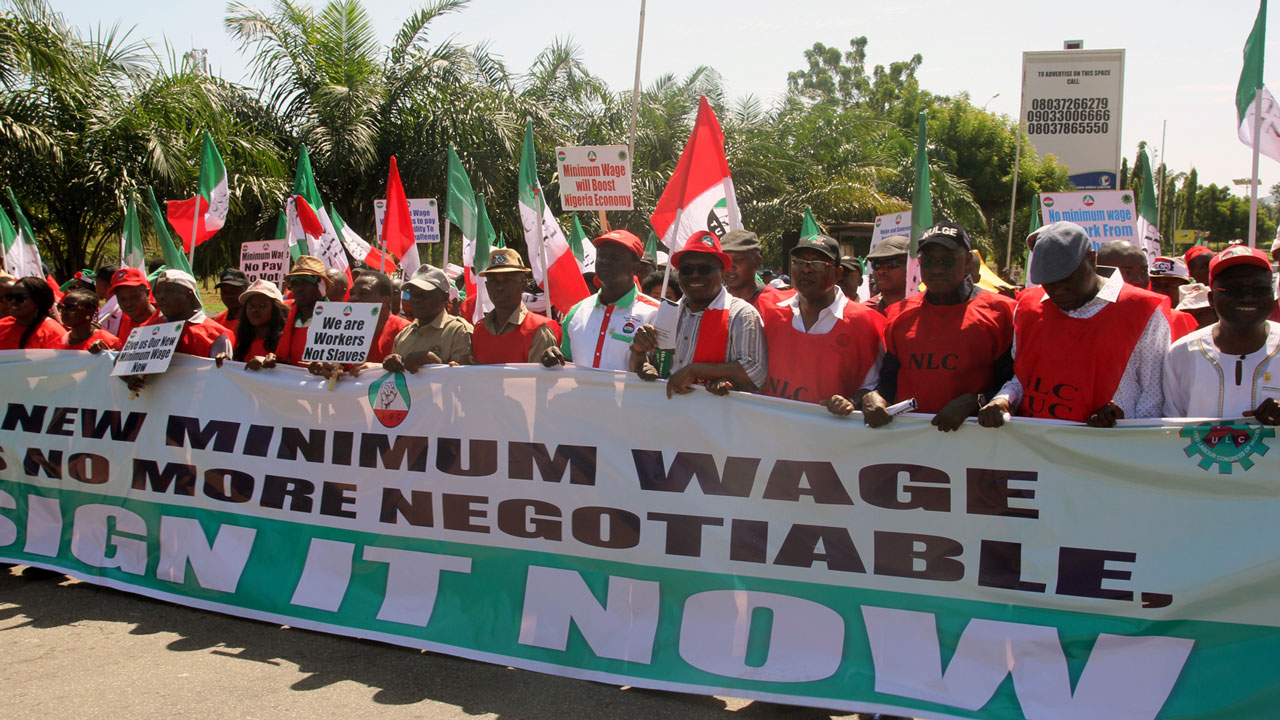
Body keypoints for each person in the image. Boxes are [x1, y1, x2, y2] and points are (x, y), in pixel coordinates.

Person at [978, 221, 1169, 427]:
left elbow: (1152, 397)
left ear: (1092, 259)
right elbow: (1023, 378)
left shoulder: (1141, 310)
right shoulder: (1028, 308)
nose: (1058, 290)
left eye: (1067, 278)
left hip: (1108, 443)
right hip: (1034, 442)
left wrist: (1123, 423)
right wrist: (1003, 399)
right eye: (1049, 282)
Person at [861, 222, 1015, 431]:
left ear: (967, 261)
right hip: (908, 439)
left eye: (947, 260)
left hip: (976, 440)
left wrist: (977, 401)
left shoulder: (1002, 312)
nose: (937, 269)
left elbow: (1015, 385)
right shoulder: (899, 314)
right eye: (928, 261)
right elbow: (889, 382)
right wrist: (873, 396)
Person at [630, 231, 768, 397]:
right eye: (687, 270)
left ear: (722, 271)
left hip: (715, 412)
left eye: (705, 269)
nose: (695, 275)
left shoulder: (741, 314)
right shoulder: (668, 312)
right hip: (667, 409)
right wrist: (639, 353)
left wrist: (695, 371)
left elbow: (755, 373)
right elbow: (648, 365)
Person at [757, 233, 883, 409]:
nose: (806, 270)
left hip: (829, 426)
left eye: (817, 264)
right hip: (772, 422)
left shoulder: (864, 322)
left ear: (838, 273)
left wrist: (853, 402)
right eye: (799, 262)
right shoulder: (769, 310)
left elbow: (872, 385)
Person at [1163, 246, 1279, 424]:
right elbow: (1167, 430)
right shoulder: (1182, 353)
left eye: (1260, 289)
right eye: (1234, 290)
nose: (1248, 298)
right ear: (1211, 299)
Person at [555, 229, 660, 372]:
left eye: (615, 257)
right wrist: (553, 360)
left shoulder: (656, 313)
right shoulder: (576, 312)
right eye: (601, 255)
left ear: (635, 267)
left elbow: (664, 371)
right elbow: (566, 365)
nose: (605, 261)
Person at [471, 248, 562, 364]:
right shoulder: (480, 330)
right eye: (493, 281)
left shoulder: (539, 330)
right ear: (487, 286)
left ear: (523, 286)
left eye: (507, 280)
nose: (500, 287)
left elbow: (540, 376)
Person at [313, 270, 410, 376]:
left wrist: (378, 369)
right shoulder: (341, 328)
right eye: (352, 294)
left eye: (363, 294)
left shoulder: (405, 331)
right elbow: (333, 366)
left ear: (384, 301)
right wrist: (326, 367)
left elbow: (415, 375)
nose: (353, 298)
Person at [383, 265, 473, 373]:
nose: (416, 299)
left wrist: (435, 363)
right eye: (412, 293)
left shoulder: (458, 331)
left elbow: (465, 379)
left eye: (424, 294)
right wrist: (391, 364)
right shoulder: (402, 336)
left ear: (444, 297)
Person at [146, 269, 233, 358]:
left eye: (169, 291)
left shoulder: (215, 335)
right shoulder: (150, 329)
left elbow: (222, 366)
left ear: (188, 296)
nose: (161, 296)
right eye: (158, 291)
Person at [720, 229, 792, 311]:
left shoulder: (779, 304)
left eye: (739, 260)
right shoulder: (712, 303)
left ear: (757, 261)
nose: (730, 266)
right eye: (725, 260)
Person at [276, 256, 328, 366]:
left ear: (320, 287)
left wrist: (329, 366)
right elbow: (283, 358)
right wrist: (273, 360)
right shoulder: (288, 319)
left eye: (304, 283)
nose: (298, 288)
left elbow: (345, 365)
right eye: (295, 284)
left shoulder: (337, 321)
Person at [230, 279, 288, 370]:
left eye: (262, 305)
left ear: (276, 309)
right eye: (251, 306)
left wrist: (275, 364)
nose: (255, 310)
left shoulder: (285, 342)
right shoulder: (241, 341)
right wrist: (227, 363)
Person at [0, 276, 63, 350]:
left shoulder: (53, 333)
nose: (12, 301)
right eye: (9, 297)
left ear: (37, 301)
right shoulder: (3, 325)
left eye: (20, 298)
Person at [54, 288, 121, 351]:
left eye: (71, 308)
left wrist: (106, 353)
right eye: (62, 307)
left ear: (89, 311)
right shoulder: (55, 344)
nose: (65, 312)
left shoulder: (109, 342)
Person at [1149, 256, 1199, 340]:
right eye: (1156, 285)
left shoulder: (1200, 313)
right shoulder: (1144, 316)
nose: (1161, 291)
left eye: (1169, 286)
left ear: (1185, 287)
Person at [109, 267, 160, 341]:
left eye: (133, 297)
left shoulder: (168, 318)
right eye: (122, 299)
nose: (128, 304)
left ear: (147, 293)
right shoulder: (125, 323)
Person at [864, 235, 910, 315]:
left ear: (912, 266)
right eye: (876, 265)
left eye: (890, 264)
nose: (881, 271)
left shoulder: (927, 310)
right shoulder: (864, 313)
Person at [213, 269, 249, 334]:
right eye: (225, 291)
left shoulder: (256, 320)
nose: (229, 296)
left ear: (247, 289)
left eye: (234, 290)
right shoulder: (217, 323)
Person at [95, 263, 123, 335]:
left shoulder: (120, 308)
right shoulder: (118, 304)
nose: (95, 286)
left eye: (96, 282)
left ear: (103, 284)